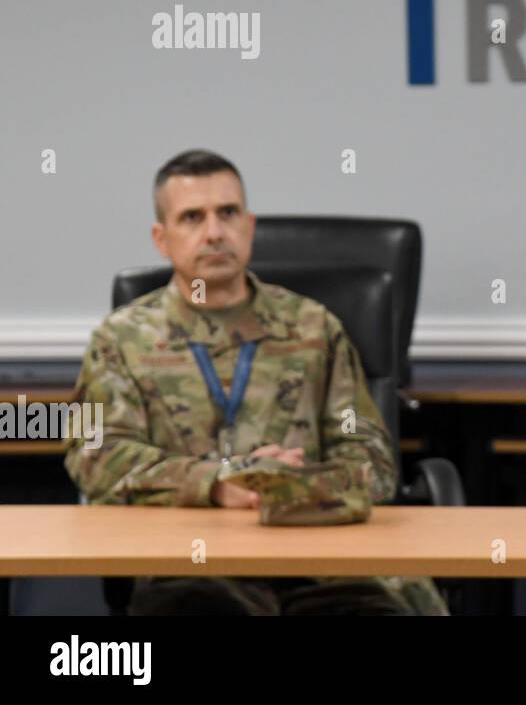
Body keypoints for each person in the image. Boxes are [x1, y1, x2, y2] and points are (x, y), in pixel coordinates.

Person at [64, 149, 447, 615]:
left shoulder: (313, 328)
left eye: (228, 213)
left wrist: (287, 485)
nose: (214, 232)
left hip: (323, 565)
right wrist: (219, 481)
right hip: (192, 568)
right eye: (192, 217)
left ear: (249, 225)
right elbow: (97, 458)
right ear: (161, 239)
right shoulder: (120, 340)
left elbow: (372, 461)